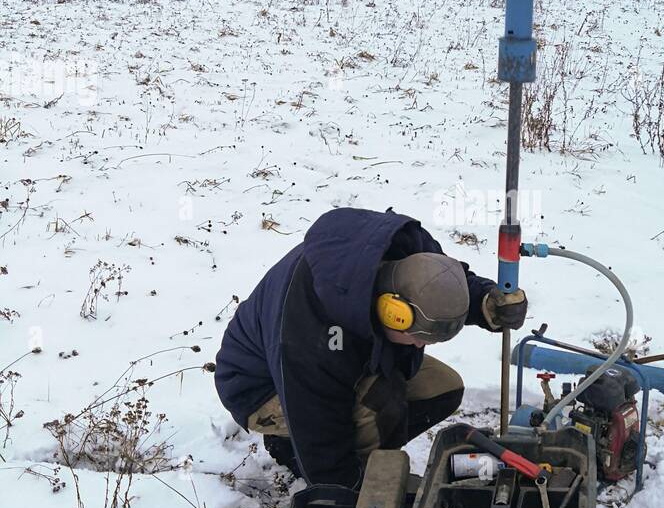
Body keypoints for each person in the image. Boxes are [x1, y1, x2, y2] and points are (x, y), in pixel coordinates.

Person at [214, 206, 527, 487]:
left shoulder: (411, 254)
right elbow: (319, 435)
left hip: (341, 356)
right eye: (419, 337)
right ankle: (363, 481)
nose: (421, 345)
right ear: (394, 313)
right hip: (259, 387)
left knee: (443, 387)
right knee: (378, 406)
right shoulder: (310, 335)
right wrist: (350, 505)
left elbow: (442, 283)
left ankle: (366, 455)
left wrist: (486, 302)